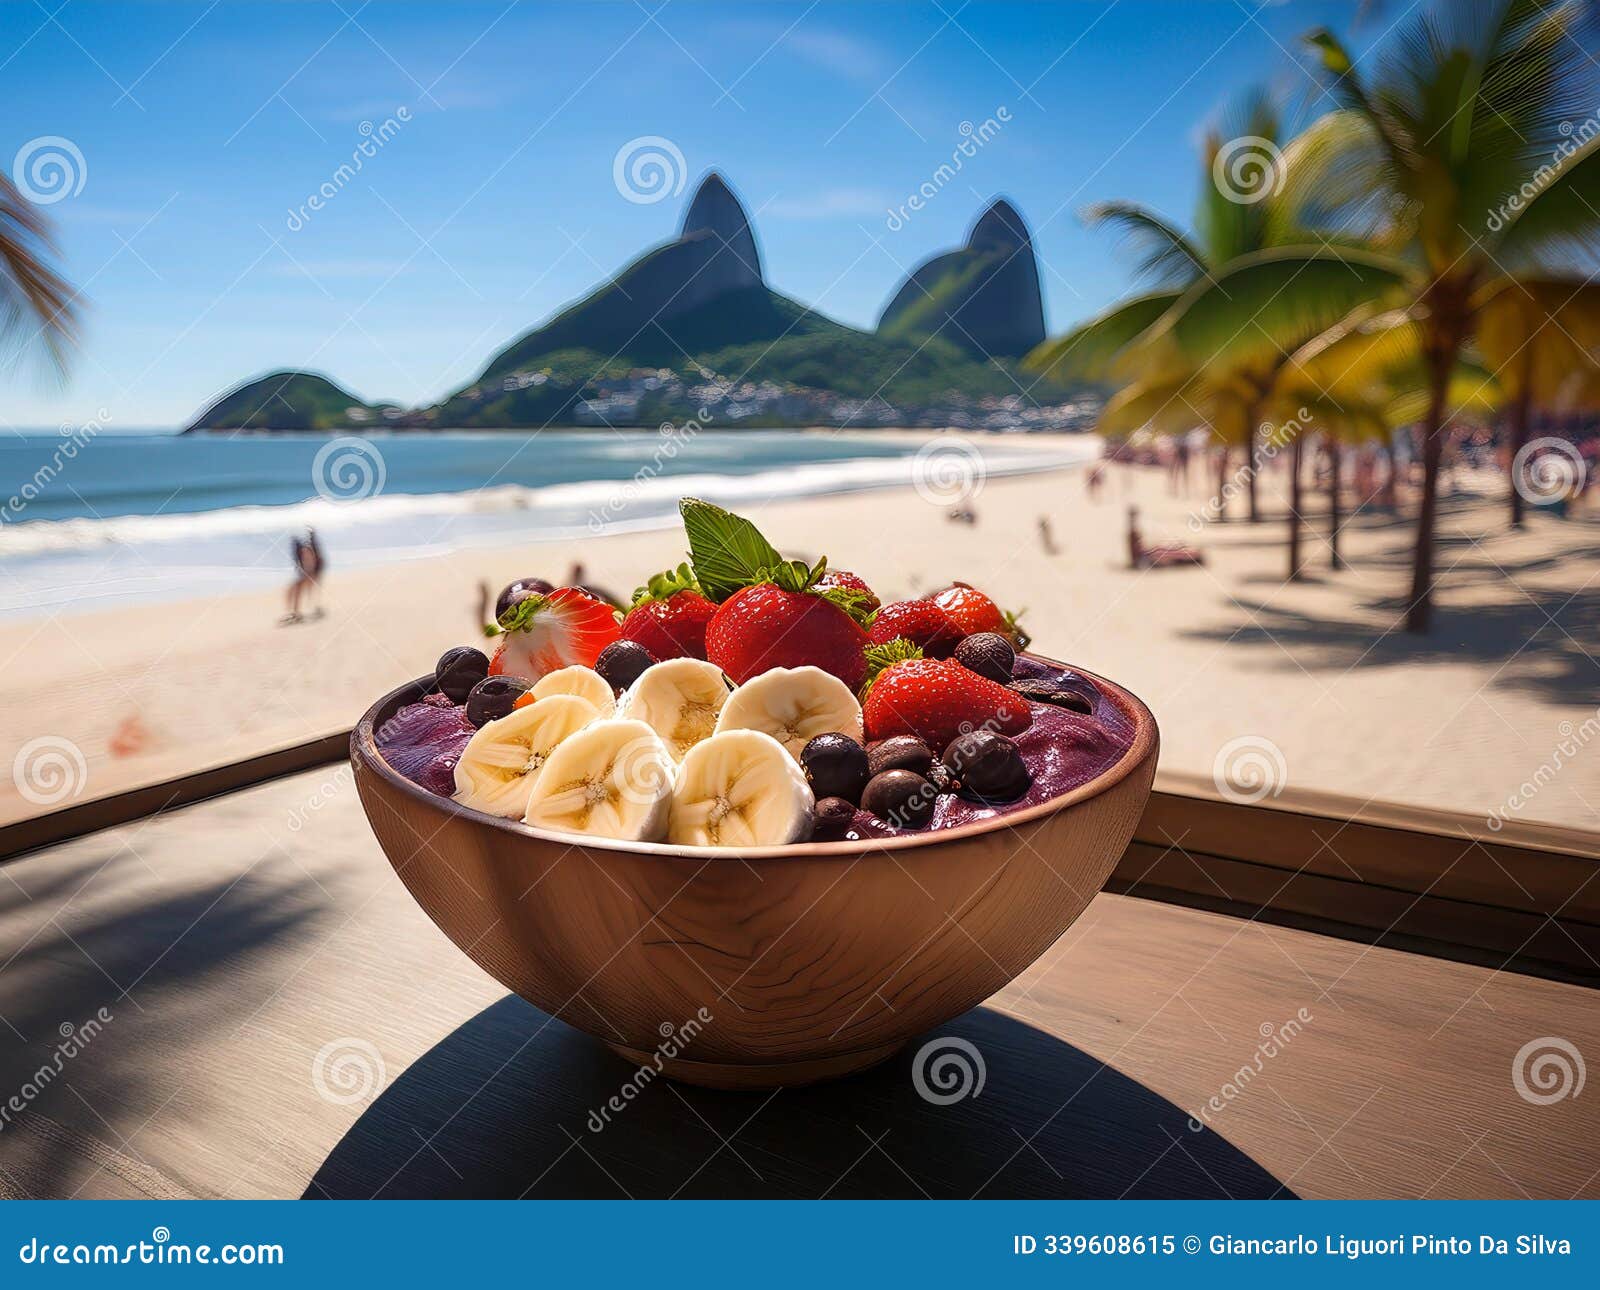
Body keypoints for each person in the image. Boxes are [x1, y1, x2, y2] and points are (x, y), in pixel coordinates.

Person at [1127, 506, 1204, 569]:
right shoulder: (1132, 531)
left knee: (1166, 550)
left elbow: (1138, 550)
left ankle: (1192, 554)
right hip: (1144, 558)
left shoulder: (1133, 530)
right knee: (1167, 551)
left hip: (1145, 556)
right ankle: (1193, 555)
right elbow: (1137, 552)